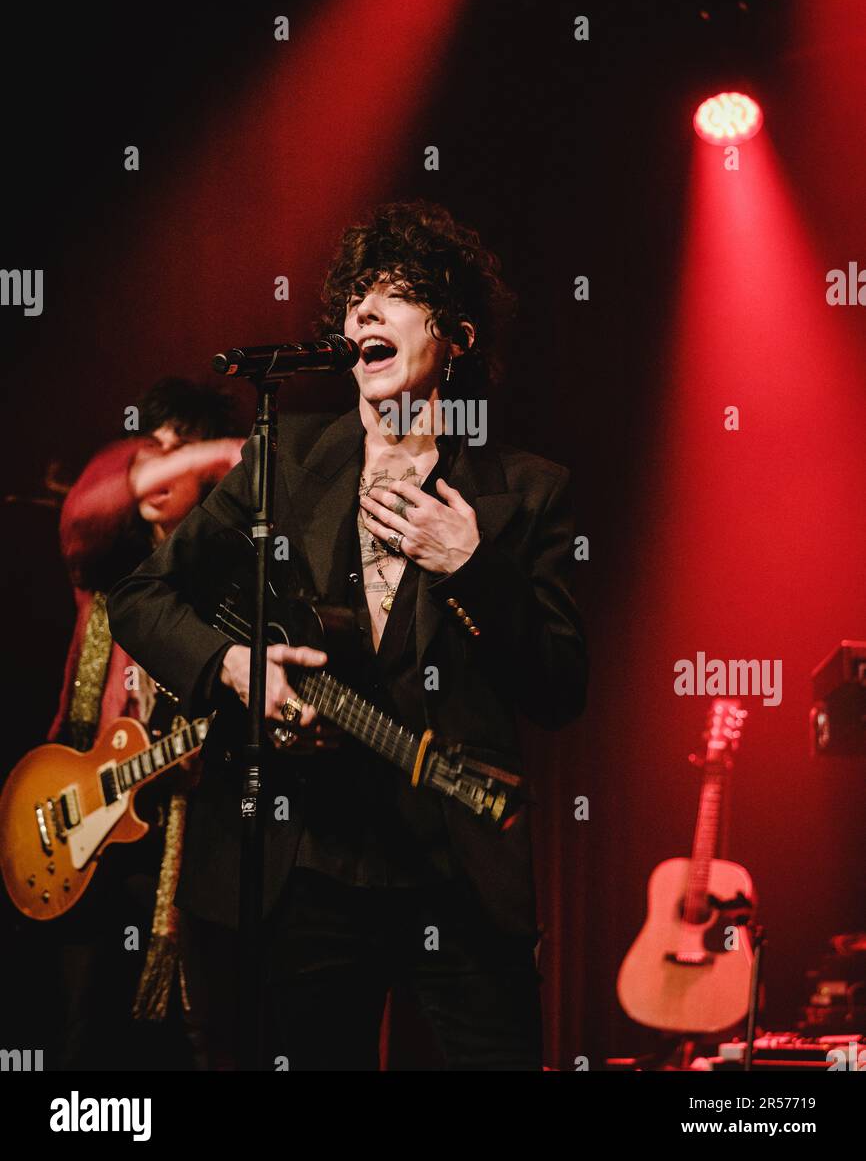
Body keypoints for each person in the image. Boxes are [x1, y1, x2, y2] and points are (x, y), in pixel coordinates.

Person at [108, 201, 588, 1071]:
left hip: (460, 878)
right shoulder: (284, 458)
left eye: (394, 295)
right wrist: (235, 666)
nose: (361, 314)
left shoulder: (526, 491)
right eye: (354, 299)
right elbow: (141, 596)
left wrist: (469, 565)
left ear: (459, 336)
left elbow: (560, 687)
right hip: (308, 875)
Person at [49, 377, 244, 1070]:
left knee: (196, 1034)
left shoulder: (229, 586)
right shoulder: (107, 569)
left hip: (186, 837)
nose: (157, 471)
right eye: (150, 454)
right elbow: (84, 511)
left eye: (179, 456)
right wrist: (204, 452)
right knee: (82, 1032)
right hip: (86, 833)